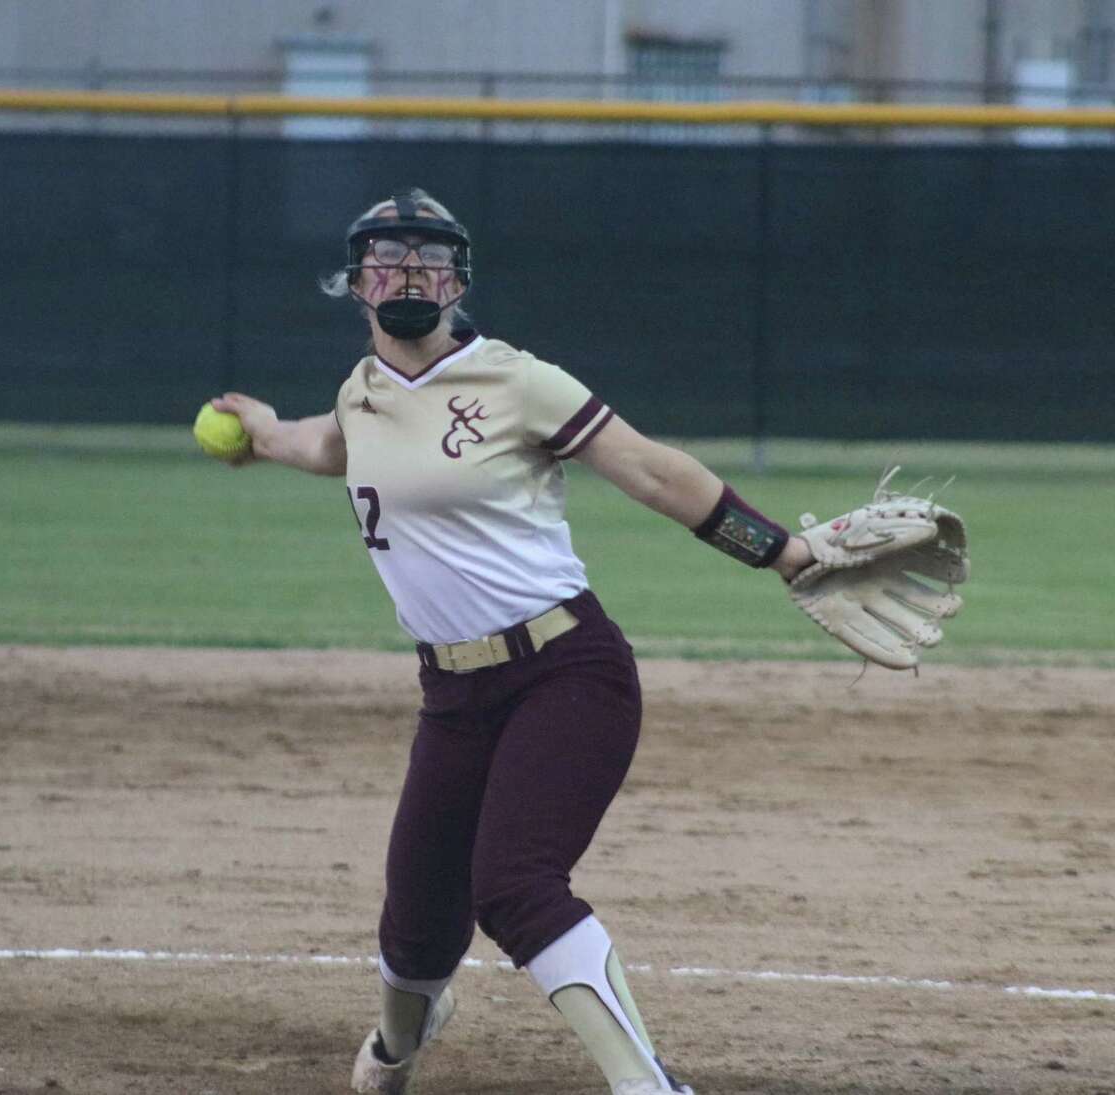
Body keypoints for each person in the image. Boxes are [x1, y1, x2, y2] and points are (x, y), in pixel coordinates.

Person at [213, 188, 814, 1095]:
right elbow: (327, 444)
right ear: (357, 282)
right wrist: (259, 434)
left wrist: (783, 552)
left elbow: (653, 471)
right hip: (453, 699)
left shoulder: (517, 379)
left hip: (566, 672)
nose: (408, 273)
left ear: (458, 278)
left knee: (515, 883)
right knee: (414, 928)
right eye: (388, 258)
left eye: (429, 258)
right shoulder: (362, 390)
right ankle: (397, 1045)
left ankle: (648, 1085)